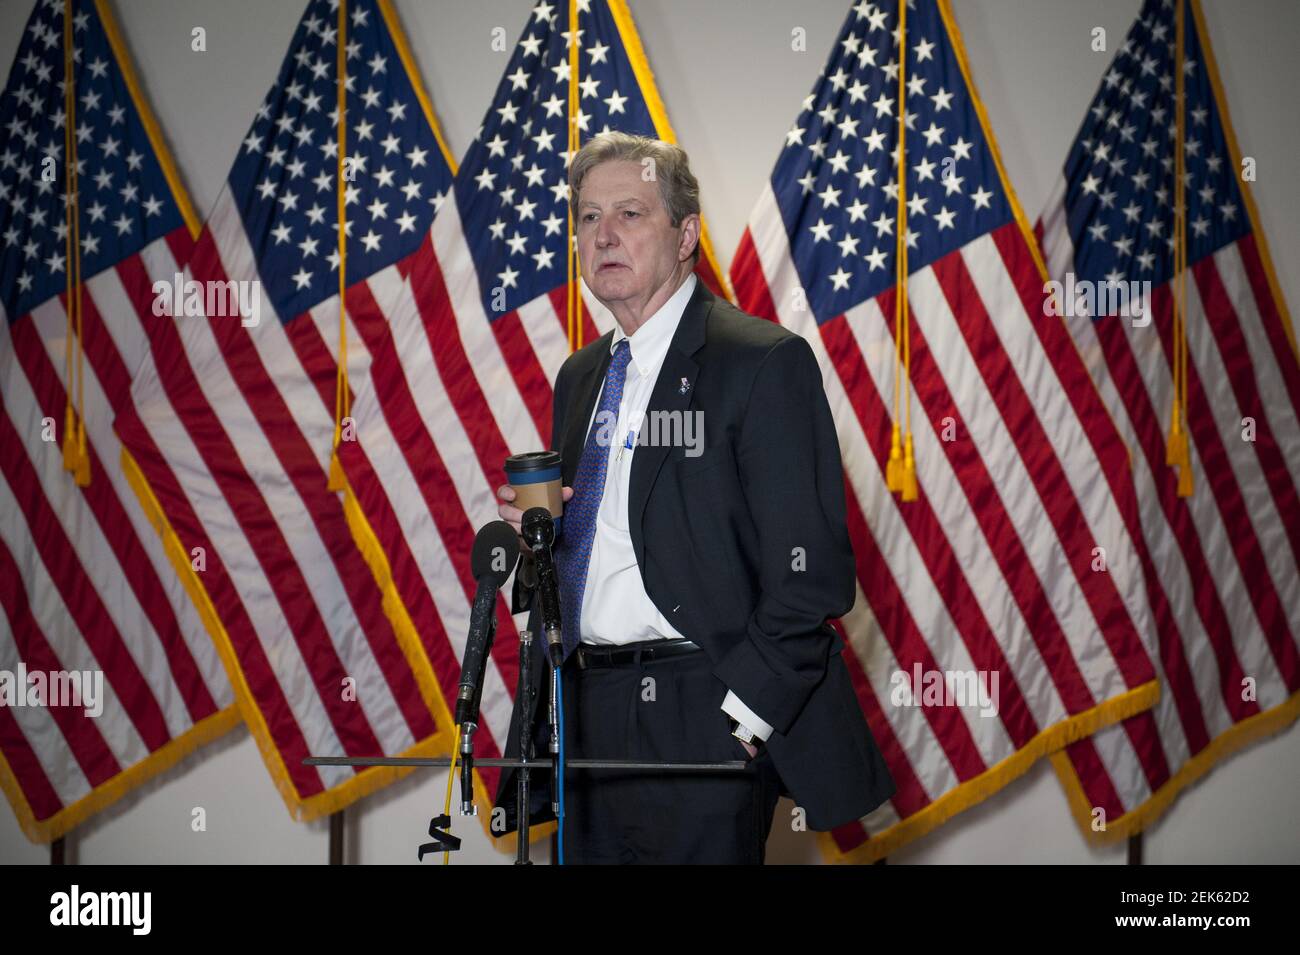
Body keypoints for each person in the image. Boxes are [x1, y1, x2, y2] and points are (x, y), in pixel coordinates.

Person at [494, 131, 894, 864]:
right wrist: (540, 546)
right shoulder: (580, 377)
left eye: (629, 214)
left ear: (685, 236)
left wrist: (740, 722)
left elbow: (812, 579)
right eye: (587, 217)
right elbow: (600, 551)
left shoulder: (762, 361)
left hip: (702, 706)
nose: (602, 234)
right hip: (582, 710)